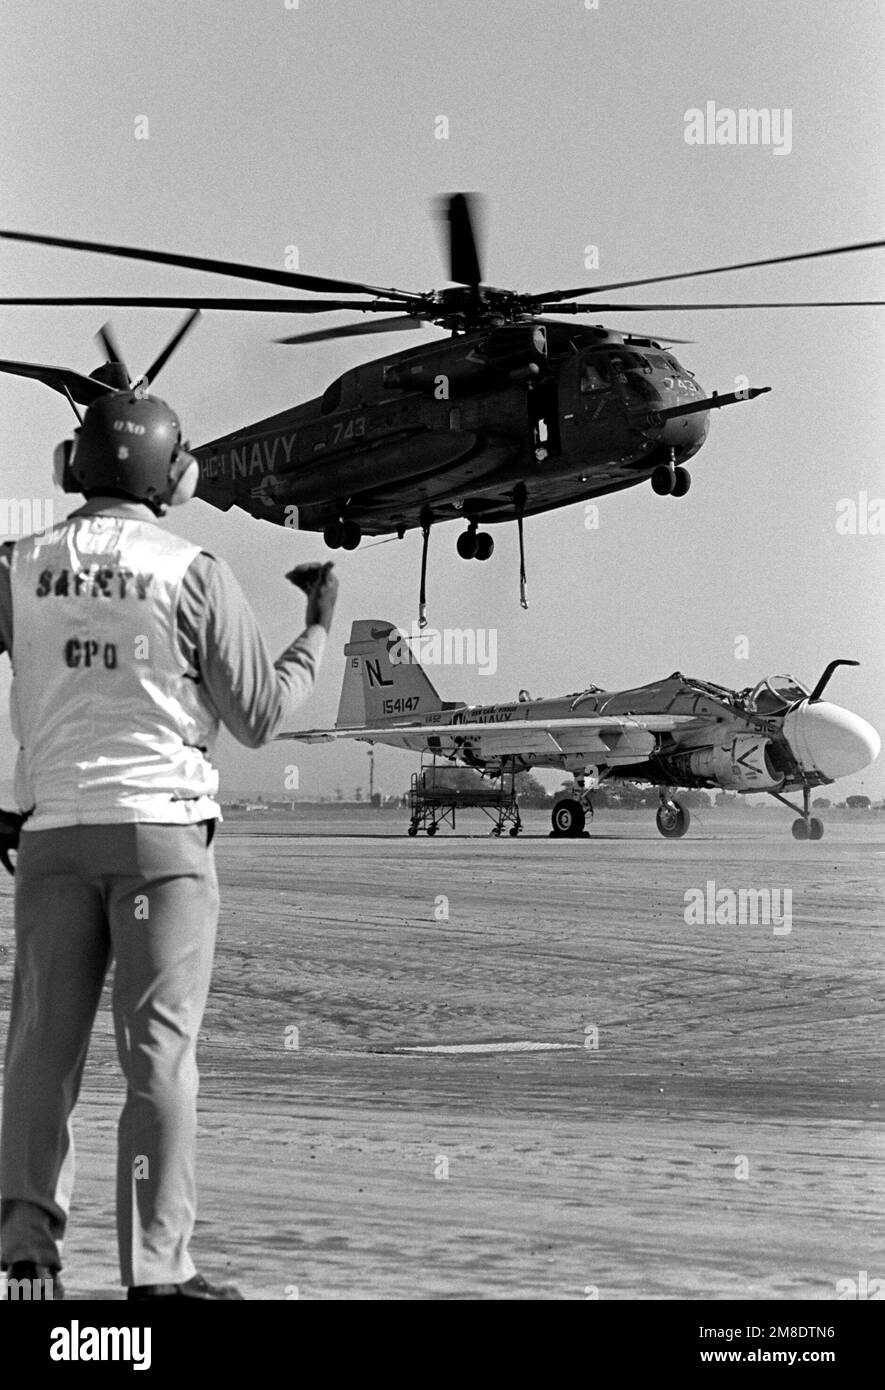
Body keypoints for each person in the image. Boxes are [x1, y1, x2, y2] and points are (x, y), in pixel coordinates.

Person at [0, 389, 338, 1300]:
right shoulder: (192, 570)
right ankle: (155, 1271)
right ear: (174, 476)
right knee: (156, 1058)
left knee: (39, 1048)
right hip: (160, 844)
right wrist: (314, 632)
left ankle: (27, 1255)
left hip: (53, 840)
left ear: (71, 469)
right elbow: (260, 715)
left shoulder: (18, 564)